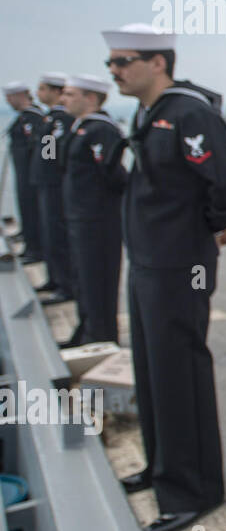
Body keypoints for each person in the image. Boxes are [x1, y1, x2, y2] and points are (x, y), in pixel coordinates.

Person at [105, 23, 226, 531]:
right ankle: (163, 467)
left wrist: (209, 228)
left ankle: (193, 492)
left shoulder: (188, 113)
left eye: (122, 62)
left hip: (177, 266)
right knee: (150, 372)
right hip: (148, 262)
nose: (114, 71)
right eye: (111, 63)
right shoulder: (150, 112)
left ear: (157, 62)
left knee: (179, 375)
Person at [59, 75, 126, 347]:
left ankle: (101, 338)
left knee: (97, 280)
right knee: (83, 279)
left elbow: (114, 175)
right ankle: (86, 329)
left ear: (90, 98)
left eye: (70, 94)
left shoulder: (102, 130)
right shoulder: (81, 128)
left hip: (97, 220)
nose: (63, 99)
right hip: (79, 217)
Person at [31, 72, 76, 304]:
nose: (38, 94)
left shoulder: (60, 119)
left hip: (55, 184)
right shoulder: (50, 118)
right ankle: (55, 278)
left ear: (55, 92)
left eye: (42, 89)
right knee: (49, 232)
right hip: (46, 183)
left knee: (57, 233)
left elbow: (52, 154)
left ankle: (65, 284)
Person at [3, 81, 45, 265]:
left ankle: (35, 249)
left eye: (9, 97)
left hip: (34, 175)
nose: (7, 101)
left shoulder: (37, 118)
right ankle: (29, 242)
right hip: (24, 174)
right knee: (26, 210)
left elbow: (47, 144)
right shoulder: (23, 118)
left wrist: (48, 167)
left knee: (34, 212)